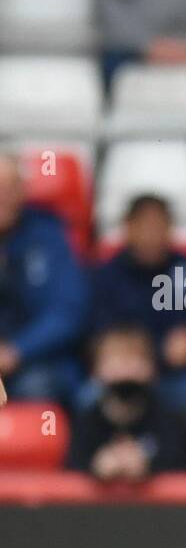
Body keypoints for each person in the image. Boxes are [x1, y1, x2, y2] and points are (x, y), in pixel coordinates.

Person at [90, 195, 186, 427]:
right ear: (128, 228)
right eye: (145, 226)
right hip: (122, 378)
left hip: (181, 376)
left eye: (160, 226)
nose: (152, 235)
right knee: (86, 401)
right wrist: (156, 352)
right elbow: (99, 338)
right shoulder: (107, 276)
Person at [0, 154, 88, 405]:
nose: (2, 196)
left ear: (23, 191)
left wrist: (16, 351)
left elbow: (68, 311)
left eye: (10, 187)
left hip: (37, 362)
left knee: (38, 385)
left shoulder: (49, 235)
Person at [66, 326, 186, 481]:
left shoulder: (172, 418)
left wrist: (149, 465)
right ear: (96, 370)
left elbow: (184, 463)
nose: (125, 371)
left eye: (135, 360)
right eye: (116, 361)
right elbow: (72, 464)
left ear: (152, 369)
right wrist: (96, 465)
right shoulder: (85, 421)